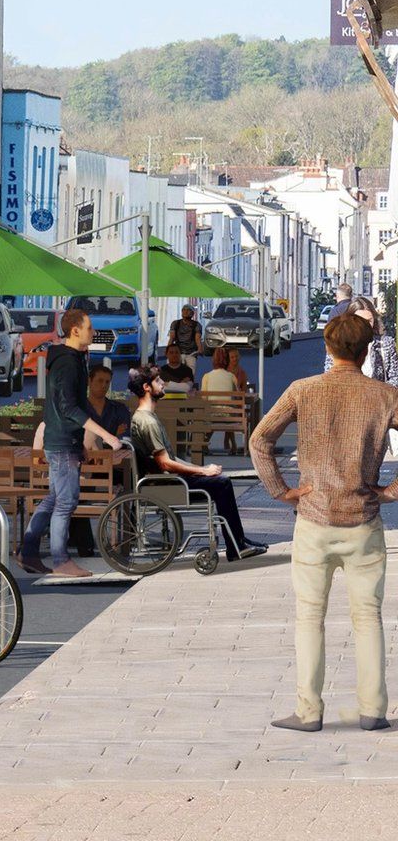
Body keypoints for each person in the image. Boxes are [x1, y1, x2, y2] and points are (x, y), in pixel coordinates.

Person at [250, 312, 398, 733]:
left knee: (309, 617)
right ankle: (373, 710)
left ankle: (309, 711)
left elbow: (260, 439)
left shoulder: (303, 390)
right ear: (367, 350)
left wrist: (282, 490)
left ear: (328, 348)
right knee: (368, 618)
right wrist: (390, 490)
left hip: (314, 519)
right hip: (364, 521)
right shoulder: (385, 395)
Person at [21, 309, 127, 578]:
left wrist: (80, 440)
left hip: (64, 439)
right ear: (75, 331)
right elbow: (69, 407)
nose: (93, 331)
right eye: (90, 327)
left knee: (54, 498)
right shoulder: (68, 363)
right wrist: (106, 435)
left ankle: (29, 552)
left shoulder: (74, 359)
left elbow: (63, 405)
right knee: (67, 501)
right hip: (61, 441)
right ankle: (60, 560)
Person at [125, 367, 265, 560]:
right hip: (167, 483)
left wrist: (201, 470)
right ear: (147, 387)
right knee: (222, 484)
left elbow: (169, 459)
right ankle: (236, 544)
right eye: (158, 381)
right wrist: (202, 471)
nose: (163, 383)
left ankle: (238, 541)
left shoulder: (147, 418)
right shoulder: (147, 422)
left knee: (219, 480)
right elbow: (165, 463)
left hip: (167, 479)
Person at [84, 364, 131, 447]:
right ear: (89, 381)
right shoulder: (79, 409)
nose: (104, 385)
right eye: (100, 381)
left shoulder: (119, 409)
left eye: (107, 382)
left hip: (114, 457)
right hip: (85, 457)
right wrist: (112, 436)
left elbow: (124, 441)